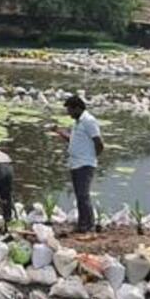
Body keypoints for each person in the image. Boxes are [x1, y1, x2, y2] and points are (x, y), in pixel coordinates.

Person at [51, 95, 103, 234]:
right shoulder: (78, 122)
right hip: (76, 163)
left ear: (78, 108)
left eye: (70, 109)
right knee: (80, 196)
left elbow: (99, 143)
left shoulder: (89, 121)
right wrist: (59, 131)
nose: (68, 113)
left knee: (83, 195)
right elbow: (73, 141)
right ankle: (82, 224)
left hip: (85, 164)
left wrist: (91, 158)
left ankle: (88, 225)